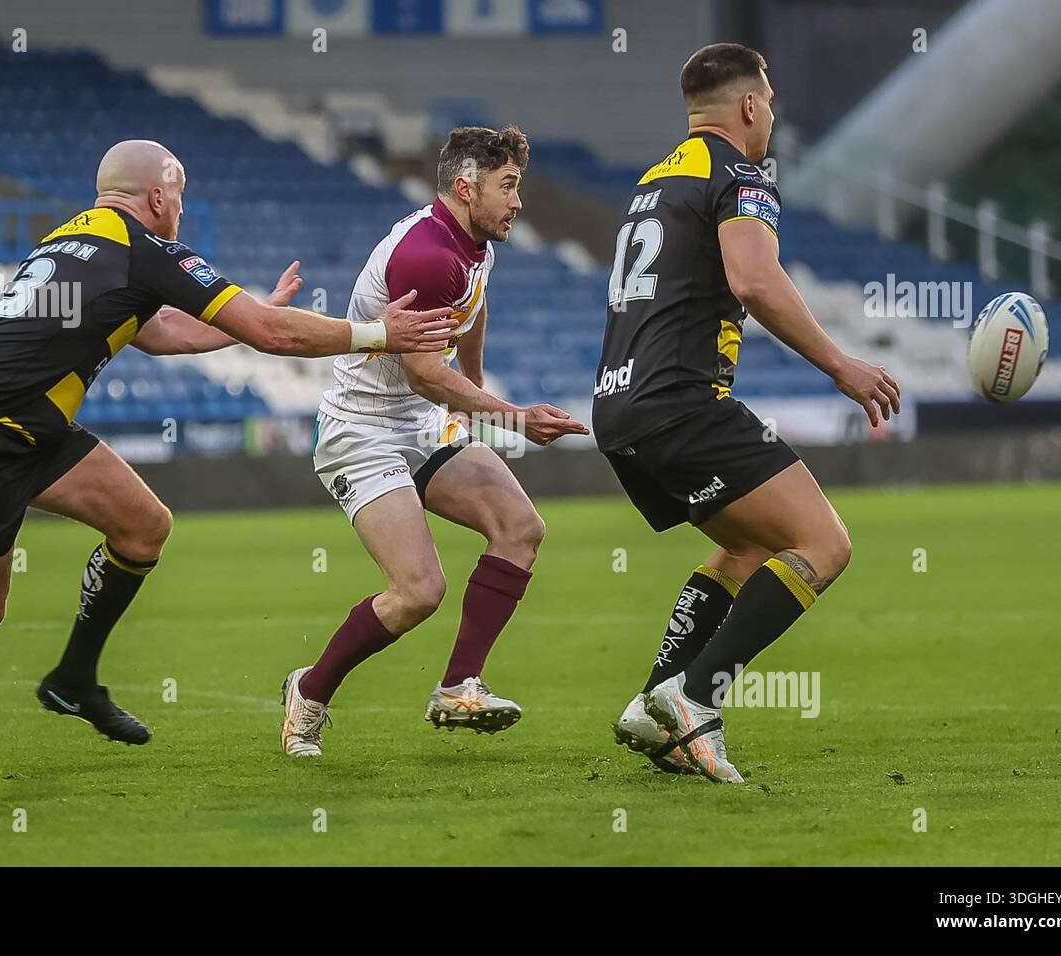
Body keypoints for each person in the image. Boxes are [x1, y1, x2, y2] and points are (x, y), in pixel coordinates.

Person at [0, 139, 458, 770]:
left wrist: (249, 320)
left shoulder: (75, 236)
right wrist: (376, 333)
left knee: (143, 526)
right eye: (179, 194)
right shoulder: (142, 248)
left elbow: (161, 331)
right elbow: (272, 335)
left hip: (13, 428)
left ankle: (75, 677)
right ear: (157, 197)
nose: (181, 206)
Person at [593, 46, 901, 782]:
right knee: (823, 544)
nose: (772, 114)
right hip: (679, 403)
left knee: (747, 547)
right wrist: (842, 366)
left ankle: (652, 700)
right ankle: (698, 696)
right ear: (751, 107)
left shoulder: (655, 179)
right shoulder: (741, 174)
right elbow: (755, 281)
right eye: (770, 101)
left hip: (620, 407)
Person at [280, 126, 588, 758]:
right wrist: (511, 418)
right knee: (420, 592)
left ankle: (456, 687)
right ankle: (308, 693)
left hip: (423, 421)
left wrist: (476, 393)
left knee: (520, 528)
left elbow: (471, 314)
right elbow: (423, 371)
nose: (518, 202)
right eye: (508, 187)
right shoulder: (427, 254)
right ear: (466, 187)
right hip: (362, 431)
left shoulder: (476, 245)